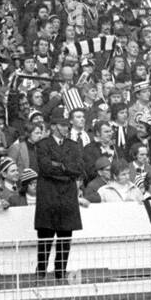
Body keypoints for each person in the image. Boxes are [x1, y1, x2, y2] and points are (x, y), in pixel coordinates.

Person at [33, 111, 87, 281]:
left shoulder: (74, 145)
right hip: (48, 197)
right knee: (45, 239)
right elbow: (45, 168)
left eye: (67, 126)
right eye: (63, 125)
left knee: (65, 239)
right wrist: (66, 169)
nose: (66, 128)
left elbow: (78, 169)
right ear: (54, 126)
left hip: (67, 197)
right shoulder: (42, 144)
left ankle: (60, 274)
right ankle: (41, 272)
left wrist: (61, 167)